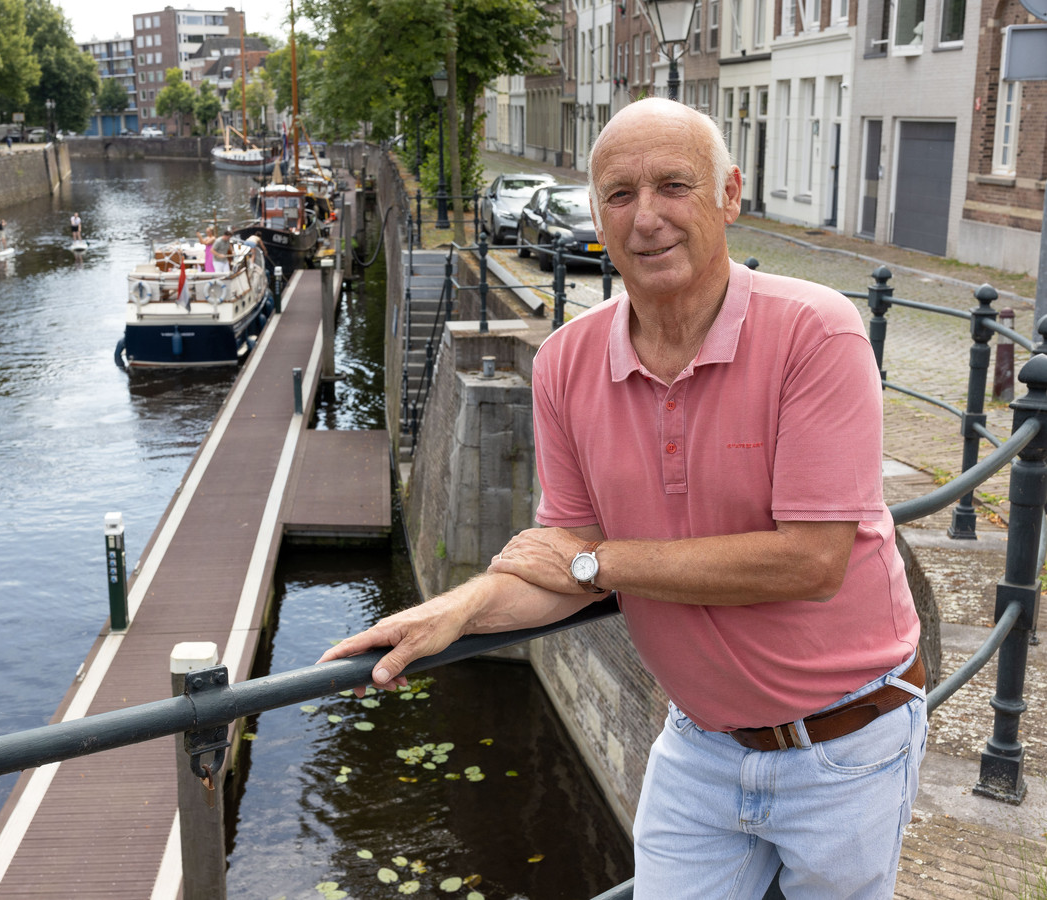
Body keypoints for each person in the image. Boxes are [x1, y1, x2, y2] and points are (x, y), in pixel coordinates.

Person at [319, 97, 925, 899]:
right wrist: (457, 612)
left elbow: (808, 562)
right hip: (700, 745)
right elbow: (558, 553)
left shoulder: (816, 334)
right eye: (619, 194)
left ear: (728, 194)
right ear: (597, 211)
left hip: (846, 743)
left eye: (674, 186)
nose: (646, 219)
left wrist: (596, 561)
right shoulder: (565, 362)